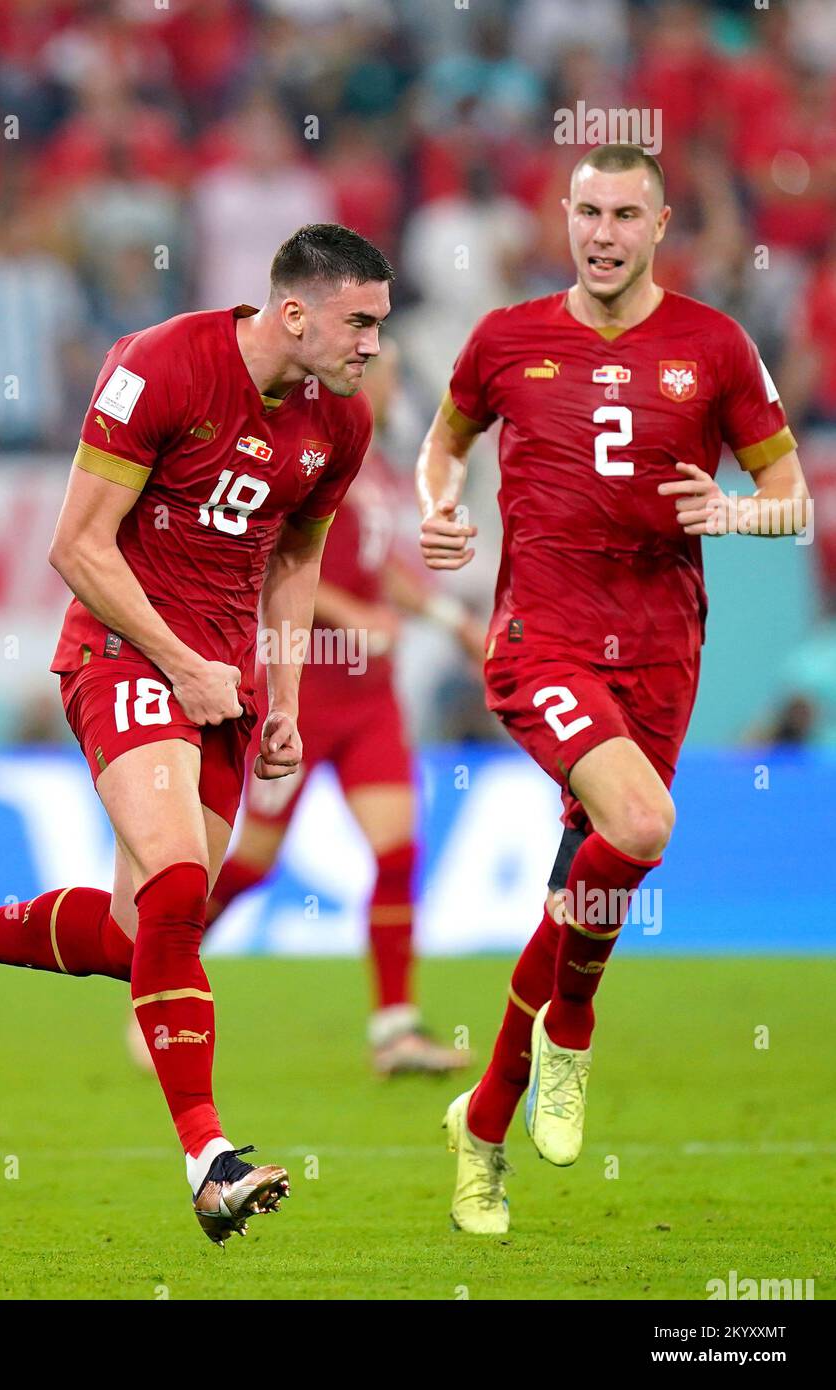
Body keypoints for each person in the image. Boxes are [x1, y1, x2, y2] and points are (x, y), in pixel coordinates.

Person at [0, 223, 394, 1245]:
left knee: (131, 932)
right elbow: (76, 545)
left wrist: (281, 694)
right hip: (122, 651)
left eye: (377, 320)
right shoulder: (160, 366)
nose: (371, 341)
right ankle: (209, 1157)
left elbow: (295, 557)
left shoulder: (342, 424)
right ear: (294, 312)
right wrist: (182, 662)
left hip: (224, 684)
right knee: (180, 883)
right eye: (357, 320)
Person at [416, 144, 810, 1234]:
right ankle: (573, 1026)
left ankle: (481, 1125)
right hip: (538, 638)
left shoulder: (712, 345)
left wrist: (732, 512)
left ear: (658, 224)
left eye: (622, 214)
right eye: (585, 210)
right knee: (640, 822)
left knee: (583, 884)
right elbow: (440, 447)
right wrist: (439, 506)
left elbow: (793, 501)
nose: (599, 231)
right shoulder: (504, 340)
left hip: (661, 648)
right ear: (563, 217)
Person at [126, 340, 482, 1077]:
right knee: (248, 866)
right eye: (377, 366)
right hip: (304, 696)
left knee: (398, 853)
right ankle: (154, 983)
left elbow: (384, 571)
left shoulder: (374, 469)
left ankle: (395, 1029)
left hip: (370, 702)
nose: (383, 376)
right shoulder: (312, 457)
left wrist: (452, 622)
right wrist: (353, 616)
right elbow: (280, 565)